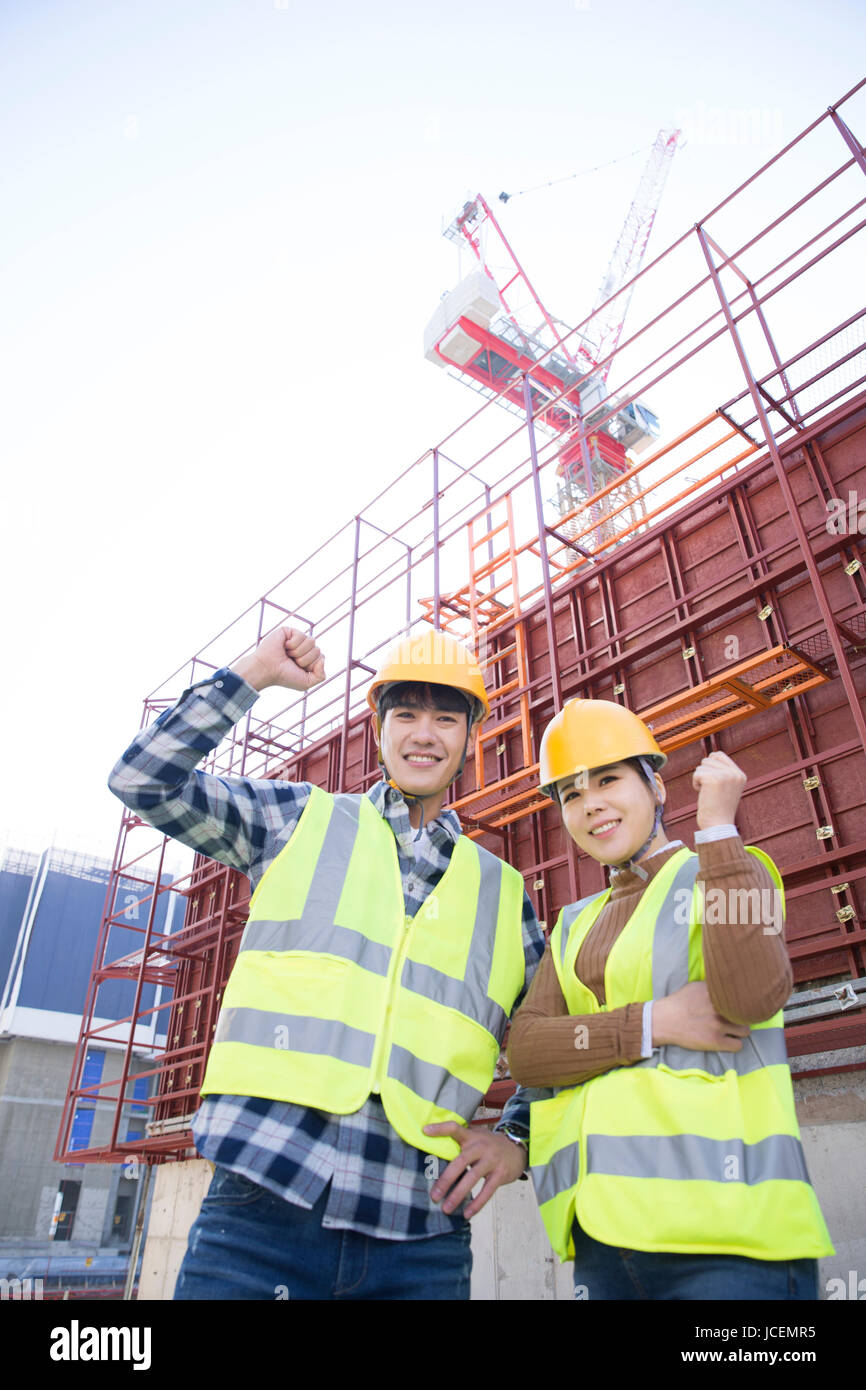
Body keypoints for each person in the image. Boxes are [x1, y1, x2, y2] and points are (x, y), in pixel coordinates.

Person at [109, 624, 545, 1300]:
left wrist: (517, 1141)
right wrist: (253, 672)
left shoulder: (503, 896)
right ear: (379, 729)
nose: (424, 734)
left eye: (445, 718)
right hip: (260, 1213)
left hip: (419, 1243)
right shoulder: (295, 822)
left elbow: (561, 1047)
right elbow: (142, 779)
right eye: (405, 715)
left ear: (469, 739)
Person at [507, 697, 833, 1301]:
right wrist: (655, 1022)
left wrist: (717, 830)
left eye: (608, 780)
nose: (591, 804)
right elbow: (525, 1052)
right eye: (572, 795)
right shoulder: (573, 923)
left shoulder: (735, 870)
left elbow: (753, 997)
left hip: (732, 1240)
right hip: (606, 1243)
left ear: (656, 786)